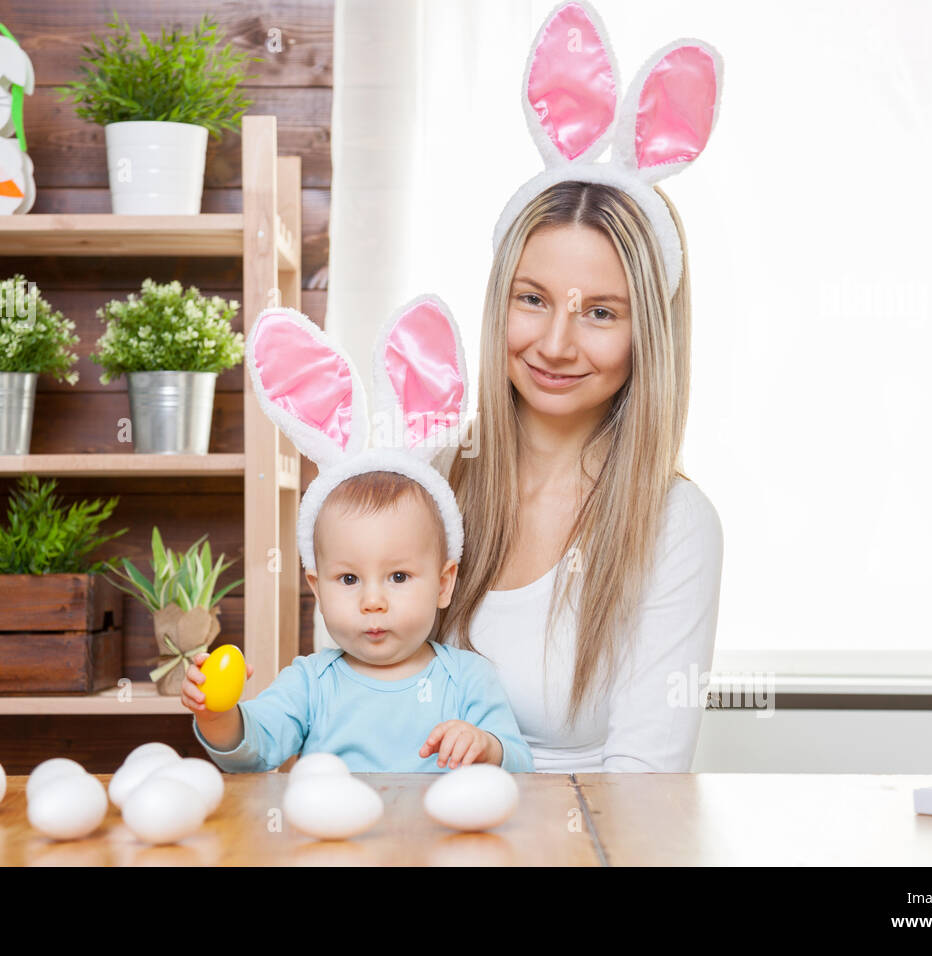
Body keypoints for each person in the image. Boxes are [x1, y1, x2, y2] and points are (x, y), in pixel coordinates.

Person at [434, 1, 726, 772]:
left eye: (600, 312)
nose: (555, 344)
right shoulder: (428, 478)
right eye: (532, 299)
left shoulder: (674, 528)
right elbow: (342, 699)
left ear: (648, 338)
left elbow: (645, 786)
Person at [182, 299, 534, 774]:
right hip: (336, 848)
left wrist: (487, 748)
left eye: (399, 576)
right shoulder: (310, 683)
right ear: (315, 587)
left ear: (445, 582)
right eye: (348, 580)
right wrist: (218, 712)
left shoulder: (467, 680)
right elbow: (252, 752)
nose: (372, 601)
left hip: (434, 849)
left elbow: (522, 767)